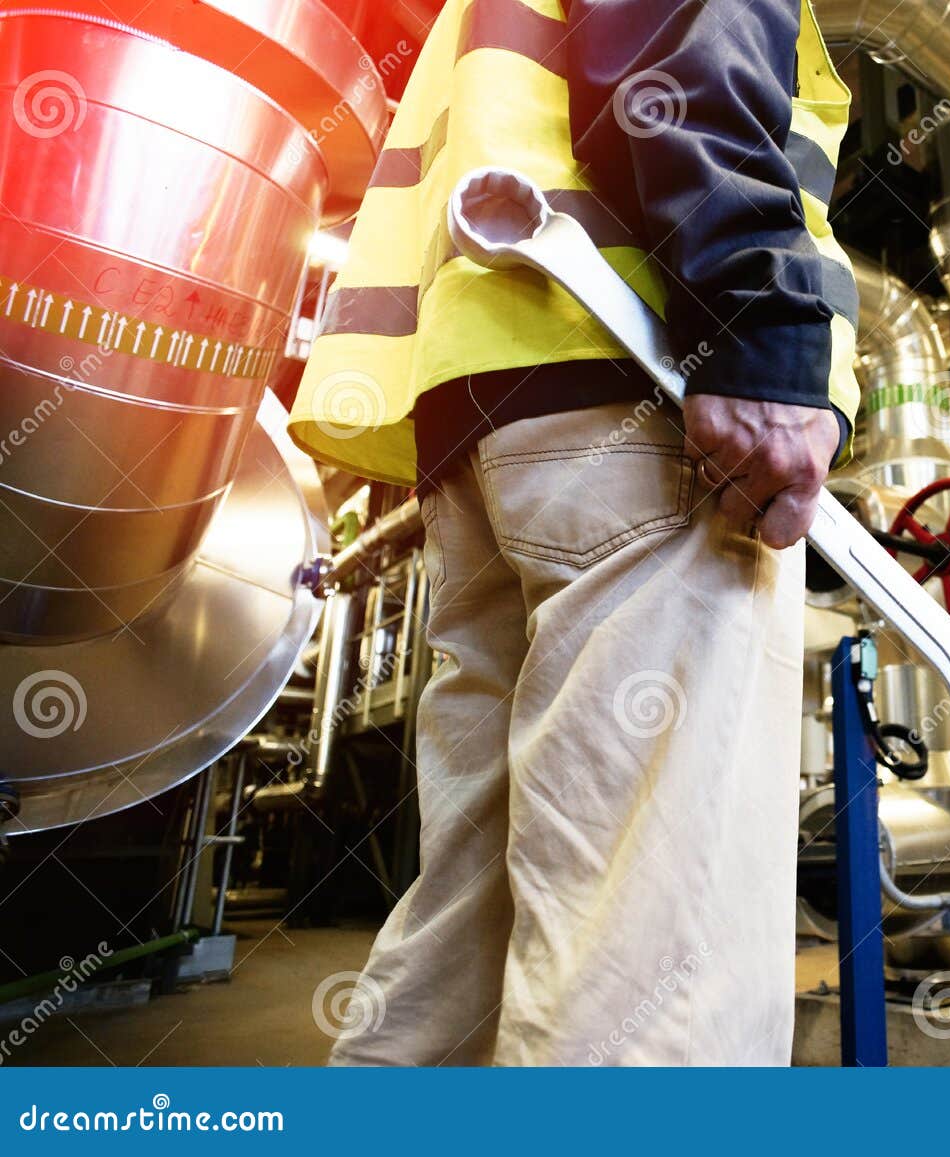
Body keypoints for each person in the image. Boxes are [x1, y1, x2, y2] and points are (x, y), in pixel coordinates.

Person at [287, 0, 859, 1065]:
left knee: (470, 918)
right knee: (653, 950)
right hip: (642, 387)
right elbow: (674, 53)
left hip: (491, 405)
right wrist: (761, 319)